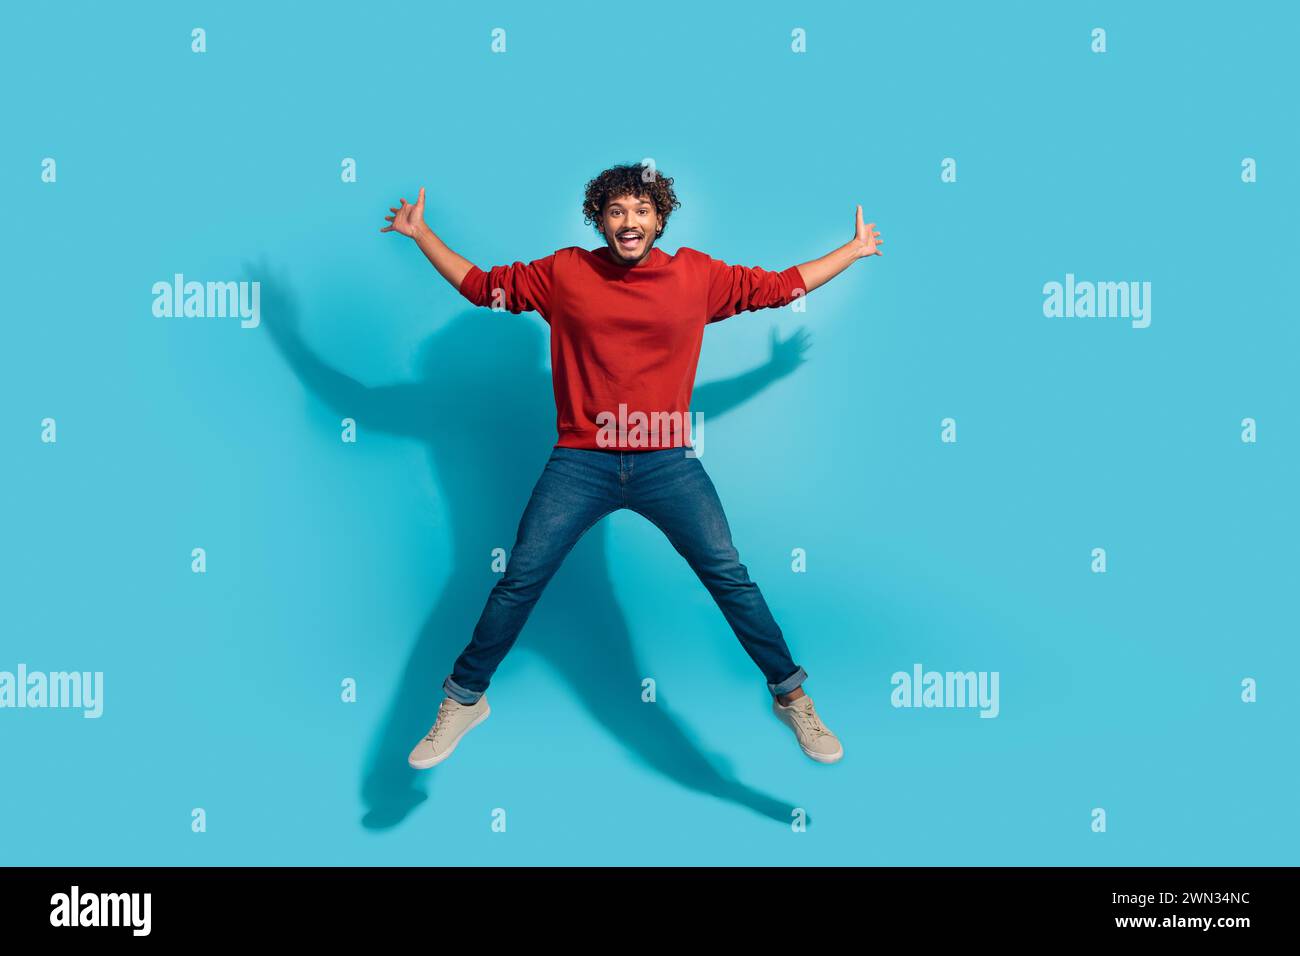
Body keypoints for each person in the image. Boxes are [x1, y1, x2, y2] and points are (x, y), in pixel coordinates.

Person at [381, 162, 883, 770]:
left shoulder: (696, 274)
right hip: (580, 461)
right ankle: (463, 701)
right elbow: (482, 285)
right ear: (600, 220)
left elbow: (778, 287)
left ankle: (792, 698)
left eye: (641, 211)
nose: (629, 221)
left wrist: (853, 252)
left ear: (660, 220)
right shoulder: (565, 271)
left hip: (666, 460)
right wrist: (422, 235)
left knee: (728, 575)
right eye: (616, 211)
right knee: (521, 579)